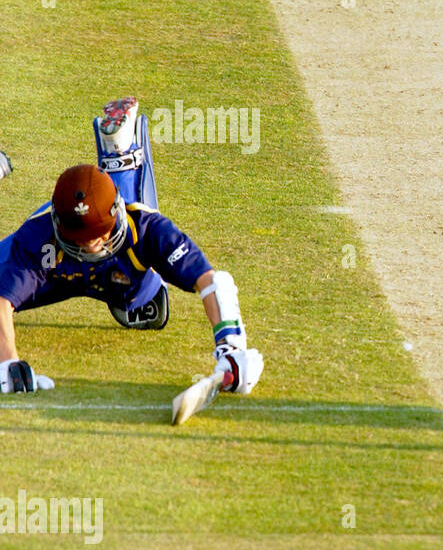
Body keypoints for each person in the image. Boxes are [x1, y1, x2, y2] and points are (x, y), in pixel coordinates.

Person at [0, 97, 263, 397]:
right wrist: (7, 361)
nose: (91, 246)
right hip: (65, 269)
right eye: (81, 238)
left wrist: (230, 346)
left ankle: (120, 154)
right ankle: (120, 151)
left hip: (125, 282)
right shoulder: (38, 236)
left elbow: (211, 280)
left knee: (140, 283)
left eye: (99, 234)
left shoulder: (148, 228)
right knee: (106, 214)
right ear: (58, 223)